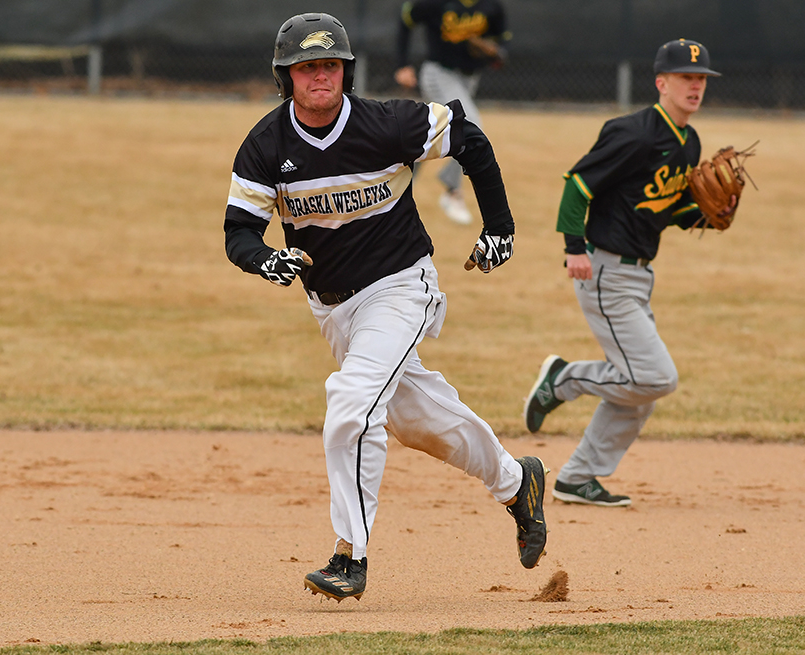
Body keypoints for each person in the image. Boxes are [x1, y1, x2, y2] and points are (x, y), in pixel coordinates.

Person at [224, 12, 547, 602]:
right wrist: (264, 258)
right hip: (334, 310)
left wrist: (499, 226)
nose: (319, 76)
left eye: (330, 65)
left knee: (350, 402)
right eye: (306, 67)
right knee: (417, 419)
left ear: (346, 73)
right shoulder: (267, 145)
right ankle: (516, 481)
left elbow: (469, 139)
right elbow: (238, 233)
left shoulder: (390, 123)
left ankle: (351, 556)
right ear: (285, 77)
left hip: (402, 286)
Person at [523, 39, 737, 507]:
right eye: (685, 78)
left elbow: (664, 210)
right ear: (662, 83)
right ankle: (563, 379)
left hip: (639, 275)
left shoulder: (689, 140)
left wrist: (704, 215)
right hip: (604, 272)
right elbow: (577, 185)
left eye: (700, 79)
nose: (695, 87)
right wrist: (573, 247)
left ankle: (577, 478)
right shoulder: (634, 133)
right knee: (655, 377)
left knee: (641, 391)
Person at [395, 0, 511, 225]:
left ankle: (397, 191)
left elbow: (501, 42)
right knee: (469, 125)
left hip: (469, 78)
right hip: (438, 73)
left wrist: (496, 53)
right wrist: (402, 65)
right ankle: (452, 191)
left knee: (428, 136)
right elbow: (405, 20)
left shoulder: (491, 5)